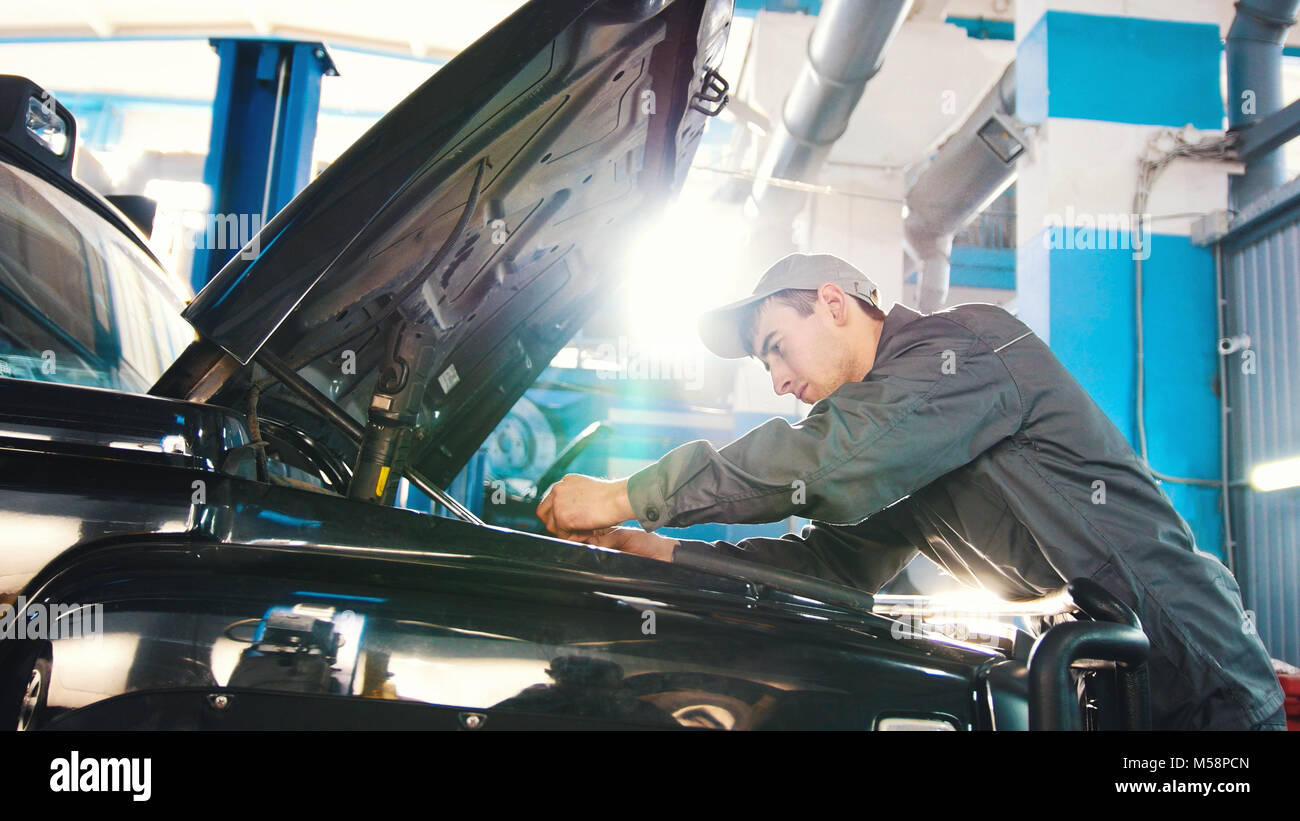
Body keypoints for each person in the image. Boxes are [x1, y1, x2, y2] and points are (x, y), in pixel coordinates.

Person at [536, 252, 1286, 731]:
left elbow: (825, 458)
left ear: (833, 302)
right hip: (1107, 692)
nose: (778, 381)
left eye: (776, 349)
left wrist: (627, 494)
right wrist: (665, 551)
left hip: (1199, 683)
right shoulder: (906, 446)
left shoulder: (965, 348)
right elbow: (829, 569)